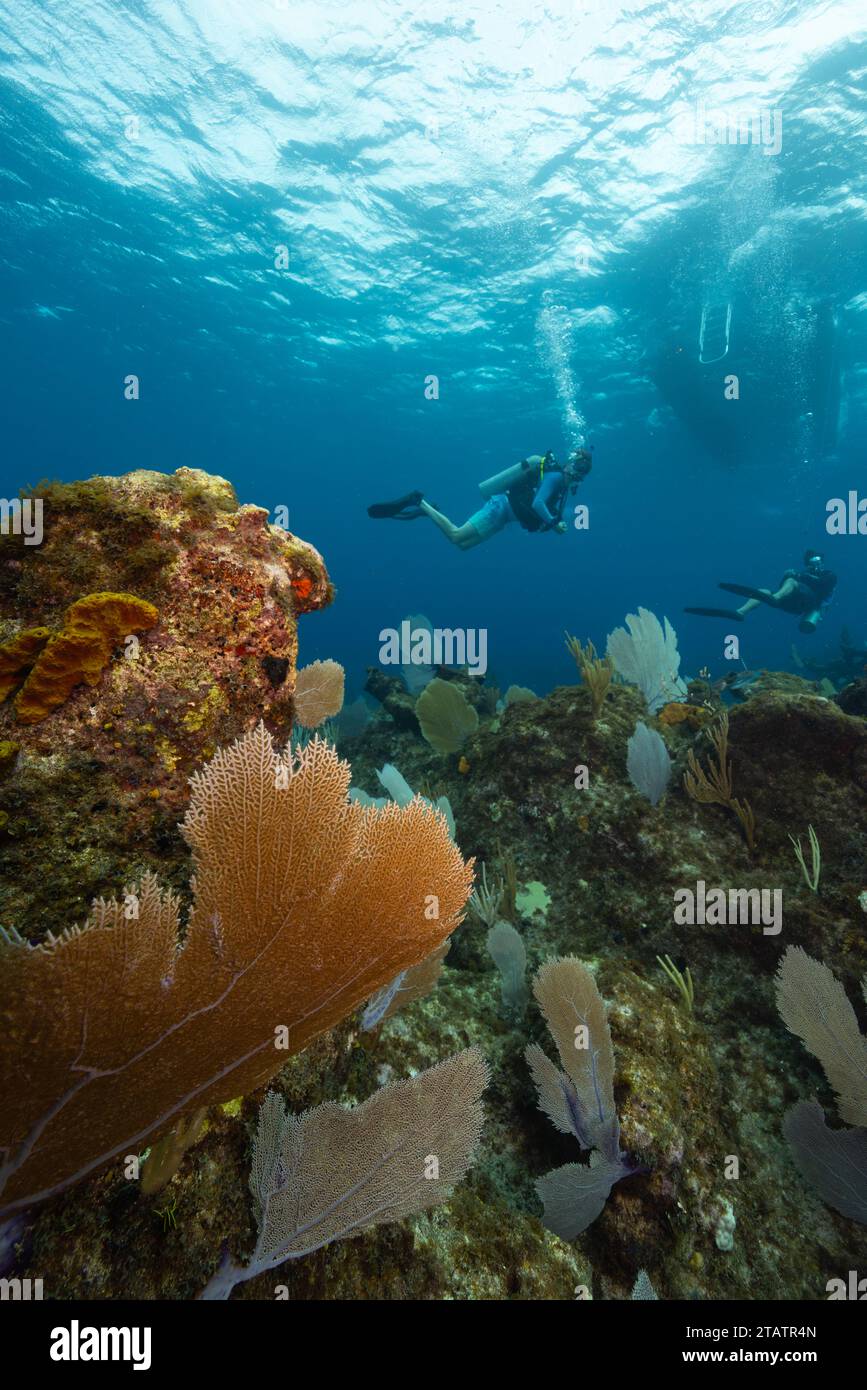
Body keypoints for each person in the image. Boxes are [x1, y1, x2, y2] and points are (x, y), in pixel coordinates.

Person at [367, 448, 592, 550]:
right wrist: (554, 524)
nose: (578, 475)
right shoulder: (554, 478)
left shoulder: (561, 486)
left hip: (503, 518)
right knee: (456, 536)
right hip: (499, 508)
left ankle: (427, 510)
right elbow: (537, 503)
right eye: (579, 468)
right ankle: (419, 501)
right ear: (571, 465)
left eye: (583, 471)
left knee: (463, 546)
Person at [686, 550, 837, 634]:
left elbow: (823, 584)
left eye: (817, 561)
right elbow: (784, 586)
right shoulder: (800, 574)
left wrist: (797, 576)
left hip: (809, 605)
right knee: (763, 591)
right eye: (811, 562)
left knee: (790, 583)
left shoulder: (829, 575)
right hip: (790, 604)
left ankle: (775, 598)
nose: (814, 564)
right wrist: (788, 575)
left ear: (822, 562)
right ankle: (740, 612)